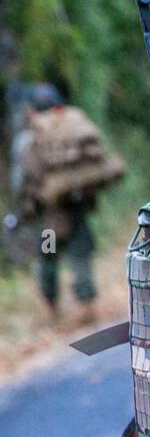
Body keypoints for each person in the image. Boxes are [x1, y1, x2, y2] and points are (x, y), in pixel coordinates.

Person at [8, 83, 122, 322]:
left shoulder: (28, 140)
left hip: (50, 221)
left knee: (48, 259)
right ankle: (86, 305)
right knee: (80, 255)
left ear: (31, 109)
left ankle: (52, 308)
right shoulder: (72, 126)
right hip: (76, 209)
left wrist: (23, 209)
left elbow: (22, 182)